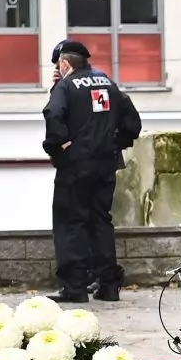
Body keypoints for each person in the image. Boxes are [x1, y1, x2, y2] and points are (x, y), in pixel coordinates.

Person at [44, 39, 141, 302]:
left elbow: (54, 116)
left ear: (64, 64)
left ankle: (75, 287)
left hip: (75, 167)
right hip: (105, 165)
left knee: (70, 223)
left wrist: (58, 148)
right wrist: (116, 142)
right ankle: (108, 284)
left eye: (58, 65)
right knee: (100, 222)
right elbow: (132, 122)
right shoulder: (107, 82)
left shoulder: (65, 86)